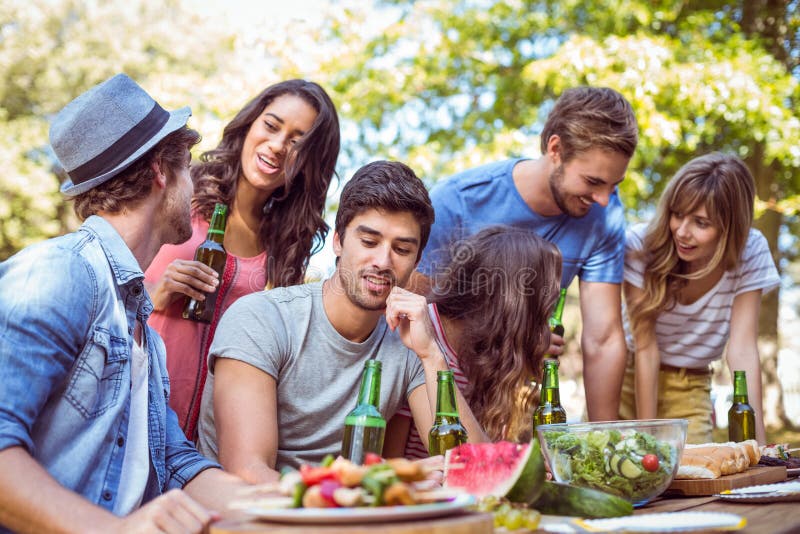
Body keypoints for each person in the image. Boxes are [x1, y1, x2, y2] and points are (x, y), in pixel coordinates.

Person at [0, 74, 248, 533]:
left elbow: (175, 461)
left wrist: (292, 502)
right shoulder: (61, 273)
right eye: (186, 167)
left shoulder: (141, 331)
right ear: (159, 170)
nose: (194, 188)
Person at [196, 160, 488, 482]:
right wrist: (383, 477)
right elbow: (248, 473)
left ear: (416, 261)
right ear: (338, 241)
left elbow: (474, 473)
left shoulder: (408, 344)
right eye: (369, 242)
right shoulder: (261, 318)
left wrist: (432, 353)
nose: (382, 261)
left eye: (402, 249)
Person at [413, 86, 639, 421]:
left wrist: (603, 439)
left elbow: (603, 339)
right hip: (441, 398)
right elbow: (415, 319)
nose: (604, 199)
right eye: (593, 181)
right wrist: (516, 334)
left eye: (613, 185)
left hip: (514, 404)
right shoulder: (456, 202)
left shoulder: (604, 218)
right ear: (556, 149)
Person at [144, 80, 340, 440]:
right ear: (250, 123)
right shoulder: (179, 191)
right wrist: (153, 295)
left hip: (209, 443)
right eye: (271, 125)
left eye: (297, 142)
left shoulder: (285, 249)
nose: (278, 146)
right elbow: (105, 274)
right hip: (137, 407)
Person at [620, 152, 779, 444]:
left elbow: (742, 349)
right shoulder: (640, 245)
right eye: (677, 214)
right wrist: (648, 435)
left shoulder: (751, 250)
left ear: (729, 228)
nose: (682, 232)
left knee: (693, 477)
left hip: (691, 383)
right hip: (631, 375)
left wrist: (760, 445)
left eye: (700, 223)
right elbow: (646, 347)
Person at [383, 226, 563, 458]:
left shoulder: (494, 352)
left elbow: (498, 453)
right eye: (542, 310)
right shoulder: (419, 333)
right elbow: (391, 456)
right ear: (517, 308)